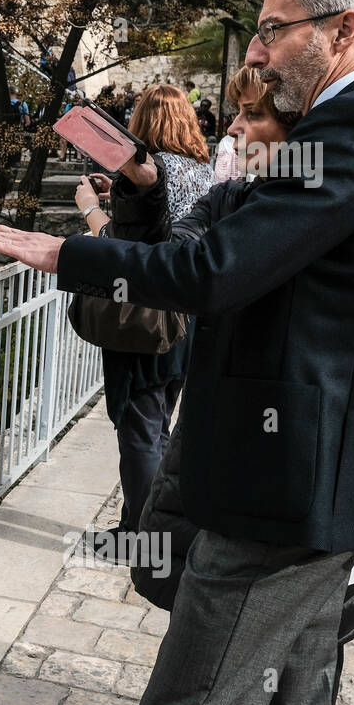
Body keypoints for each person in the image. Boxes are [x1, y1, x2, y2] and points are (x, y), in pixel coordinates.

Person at [0, 0, 354, 705]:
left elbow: (212, 272)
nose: (258, 53)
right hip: (320, 482)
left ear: (343, 29)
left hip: (288, 488)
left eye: (273, 29)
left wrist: (68, 253)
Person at [127, 63, 354, 705]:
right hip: (227, 469)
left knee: (281, 694)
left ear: (301, 134)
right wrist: (139, 201)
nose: (235, 130)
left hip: (314, 494)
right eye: (237, 115)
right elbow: (164, 284)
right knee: (251, 674)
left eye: (253, 118)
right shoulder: (232, 203)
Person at [71, 84, 214, 555]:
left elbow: (128, 248)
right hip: (188, 318)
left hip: (146, 318)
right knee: (158, 424)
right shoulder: (202, 171)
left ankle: (140, 537)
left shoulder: (159, 173)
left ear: (141, 125)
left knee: (138, 430)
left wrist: (91, 209)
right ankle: (150, 523)